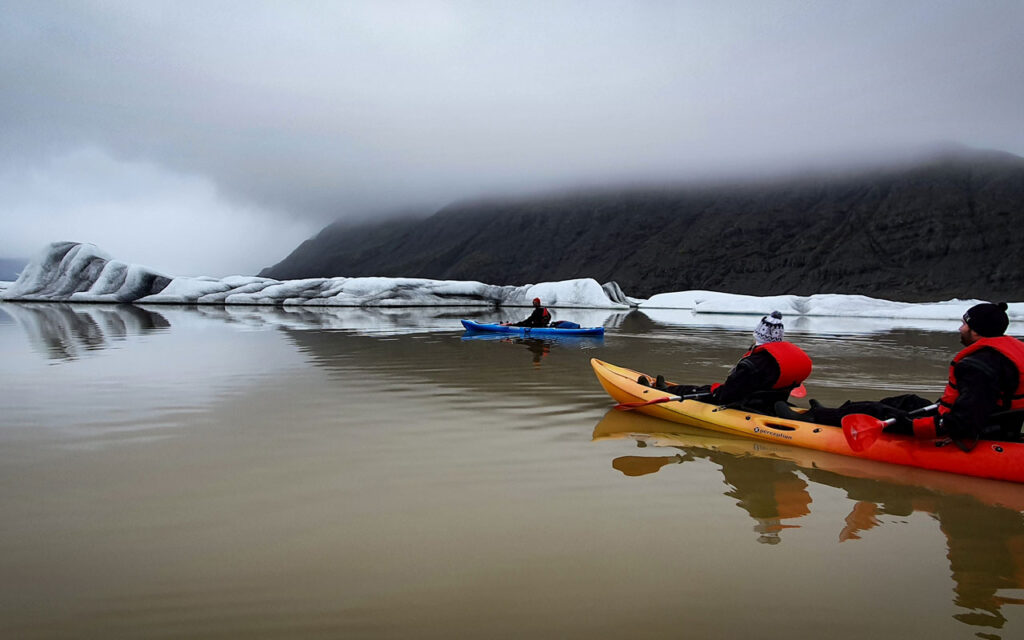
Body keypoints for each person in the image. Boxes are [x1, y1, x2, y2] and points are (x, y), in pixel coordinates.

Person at [776, 302, 1024, 450]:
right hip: (999, 424)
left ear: (977, 329)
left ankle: (812, 419)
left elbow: (963, 422)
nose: (960, 329)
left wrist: (914, 426)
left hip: (976, 432)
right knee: (907, 401)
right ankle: (827, 413)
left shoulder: (978, 365)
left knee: (875, 410)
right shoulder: (1007, 354)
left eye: (964, 324)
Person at [640, 311, 813, 413]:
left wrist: (714, 391)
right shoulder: (782, 361)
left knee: (704, 390)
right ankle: (667, 388)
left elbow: (726, 396)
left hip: (744, 406)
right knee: (708, 389)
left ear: (758, 335)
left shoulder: (752, 364)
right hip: (771, 404)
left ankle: (660, 391)